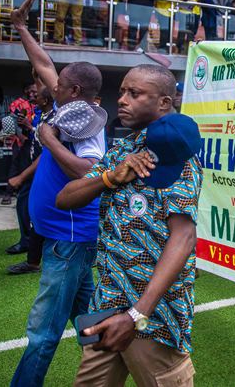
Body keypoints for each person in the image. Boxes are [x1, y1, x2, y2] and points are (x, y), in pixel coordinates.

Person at [56, 65, 201, 386]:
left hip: (155, 314)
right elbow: (65, 199)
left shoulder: (179, 157)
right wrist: (110, 177)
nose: (121, 100)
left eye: (134, 94)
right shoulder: (122, 150)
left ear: (164, 103)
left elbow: (184, 237)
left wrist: (137, 315)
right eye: (122, 91)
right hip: (107, 301)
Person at [9, 0, 106, 386]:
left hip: (69, 240)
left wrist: (48, 140)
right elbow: (45, 63)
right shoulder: (68, 104)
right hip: (68, 239)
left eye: (59, 84)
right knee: (92, 326)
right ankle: (106, 376)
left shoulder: (89, 124)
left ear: (74, 89)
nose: (51, 85)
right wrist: (20, 26)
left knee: (43, 334)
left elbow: (91, 170)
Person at [7, 85, 53, 275]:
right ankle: (32, 259)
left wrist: (21, 176)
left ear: (47, 100)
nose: (34, 98)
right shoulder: (42, 116)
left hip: (45, 174)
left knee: (39, 214)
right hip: (37, 170)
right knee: (34, 213)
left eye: (38, 96)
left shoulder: (53, 120)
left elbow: (47, 154)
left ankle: (35, 259)